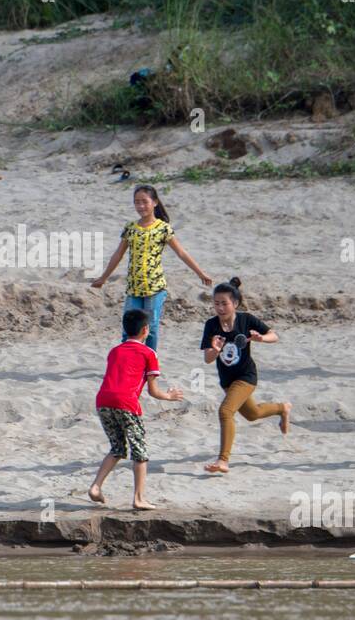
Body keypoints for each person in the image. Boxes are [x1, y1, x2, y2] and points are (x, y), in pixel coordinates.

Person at [91, 184, 212, 351]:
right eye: (137, 202)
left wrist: (201, 273)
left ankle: (150, 365)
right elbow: (117, 255)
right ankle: (127, 361)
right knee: (129, 329)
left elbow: (181, 253)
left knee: (151, 329)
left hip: (155, 287)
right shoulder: (130, 228)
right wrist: (103, 278)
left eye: (144, 202)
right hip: (134, 287)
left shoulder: (163, 228)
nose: (140, 206)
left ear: (154, 202)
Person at [87, 309, 184, 509]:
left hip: (103, 402)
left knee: (117, 448)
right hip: (126, 404)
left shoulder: (115, 351)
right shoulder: (148, 353)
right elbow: (153, 391)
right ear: (146, 329)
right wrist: (170, 396)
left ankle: (96, 486)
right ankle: (139, 498)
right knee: (140, 451)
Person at [199, 278, 290, 474]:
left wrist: (261, 338)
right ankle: (282, 408)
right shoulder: (211, 325)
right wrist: (215, 349)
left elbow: (274, 336)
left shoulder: (246, 319)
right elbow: (207, 358)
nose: (220, 307)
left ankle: (223, 460)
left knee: (225, 412)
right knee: (252, 414)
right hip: (227, 380)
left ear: (235, 304)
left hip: (246, 376)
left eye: (224, 303)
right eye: (216, 303)